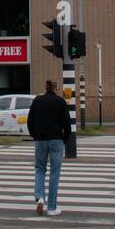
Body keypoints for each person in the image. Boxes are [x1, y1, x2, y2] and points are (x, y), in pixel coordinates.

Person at [27, 79, 70, 216]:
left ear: (45, 88)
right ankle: (52, 208)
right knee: (54, 173)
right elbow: (67, 124)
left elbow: (30, 121)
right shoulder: (60, 102)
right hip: (56, 140)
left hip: (40, 140)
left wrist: (35, 135)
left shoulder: (37, 101)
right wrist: (65, 139)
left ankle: (39, 197)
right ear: (55, 88)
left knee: (40, 169)